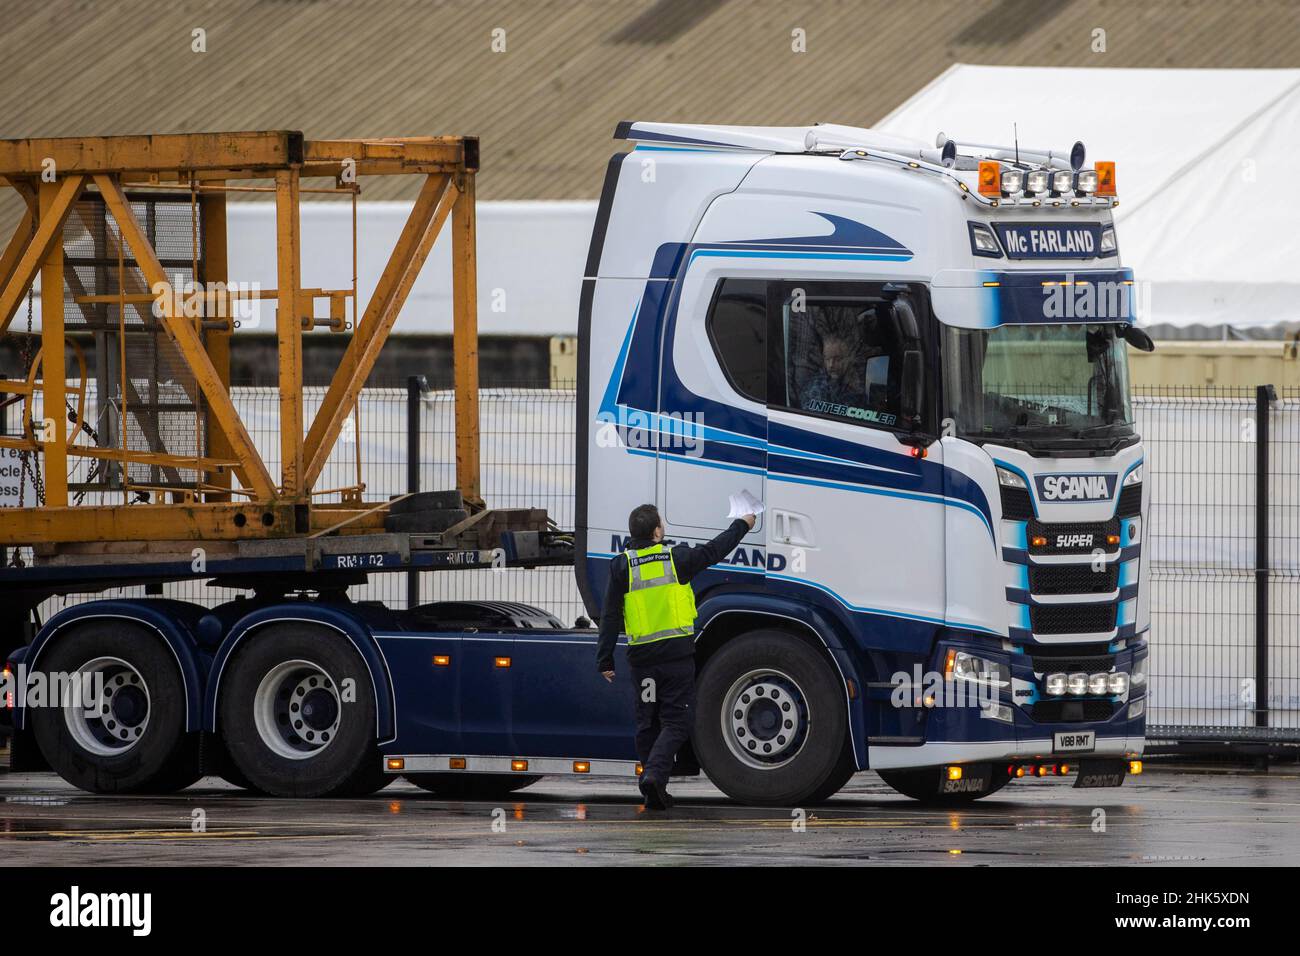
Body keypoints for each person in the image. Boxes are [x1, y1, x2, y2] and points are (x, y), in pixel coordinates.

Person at [595, 503, 756, 809]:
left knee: (647, 724)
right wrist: (743, 524)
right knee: (676, 723)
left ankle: (653, 790)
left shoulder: (621, 566)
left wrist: (604, 658)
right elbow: (714, 551)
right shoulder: (676, 558)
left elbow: (610, 615)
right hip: (676, 658)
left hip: (643, 660)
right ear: (657, 531)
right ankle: (654, 777)